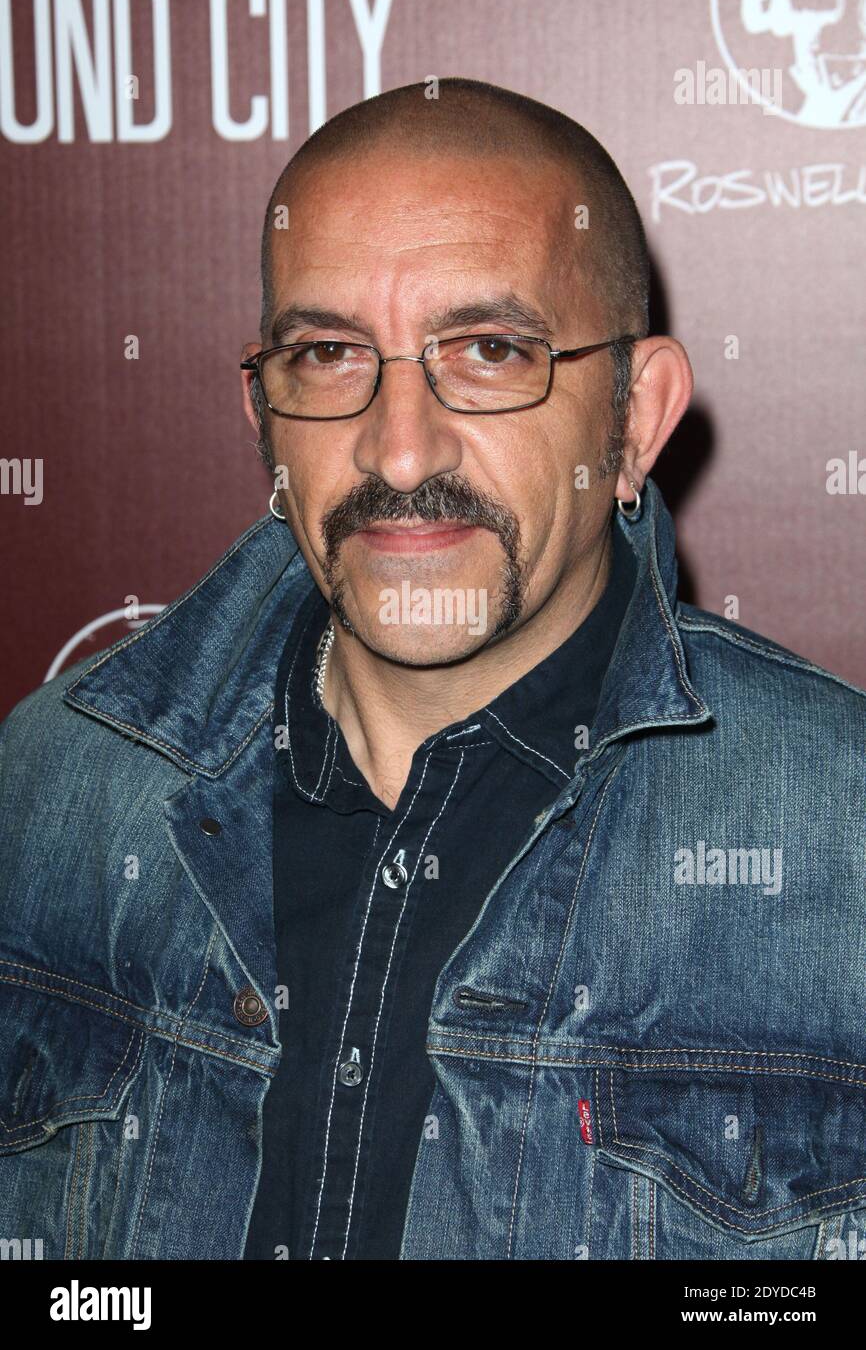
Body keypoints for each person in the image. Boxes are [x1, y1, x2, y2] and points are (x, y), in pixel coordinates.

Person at [0, 78, 863, 1263]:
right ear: (262, 413)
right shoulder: (48, 791)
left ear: (633, 418)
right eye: (326, 353)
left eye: (490, 349)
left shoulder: (841, 841)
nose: (398, 449)